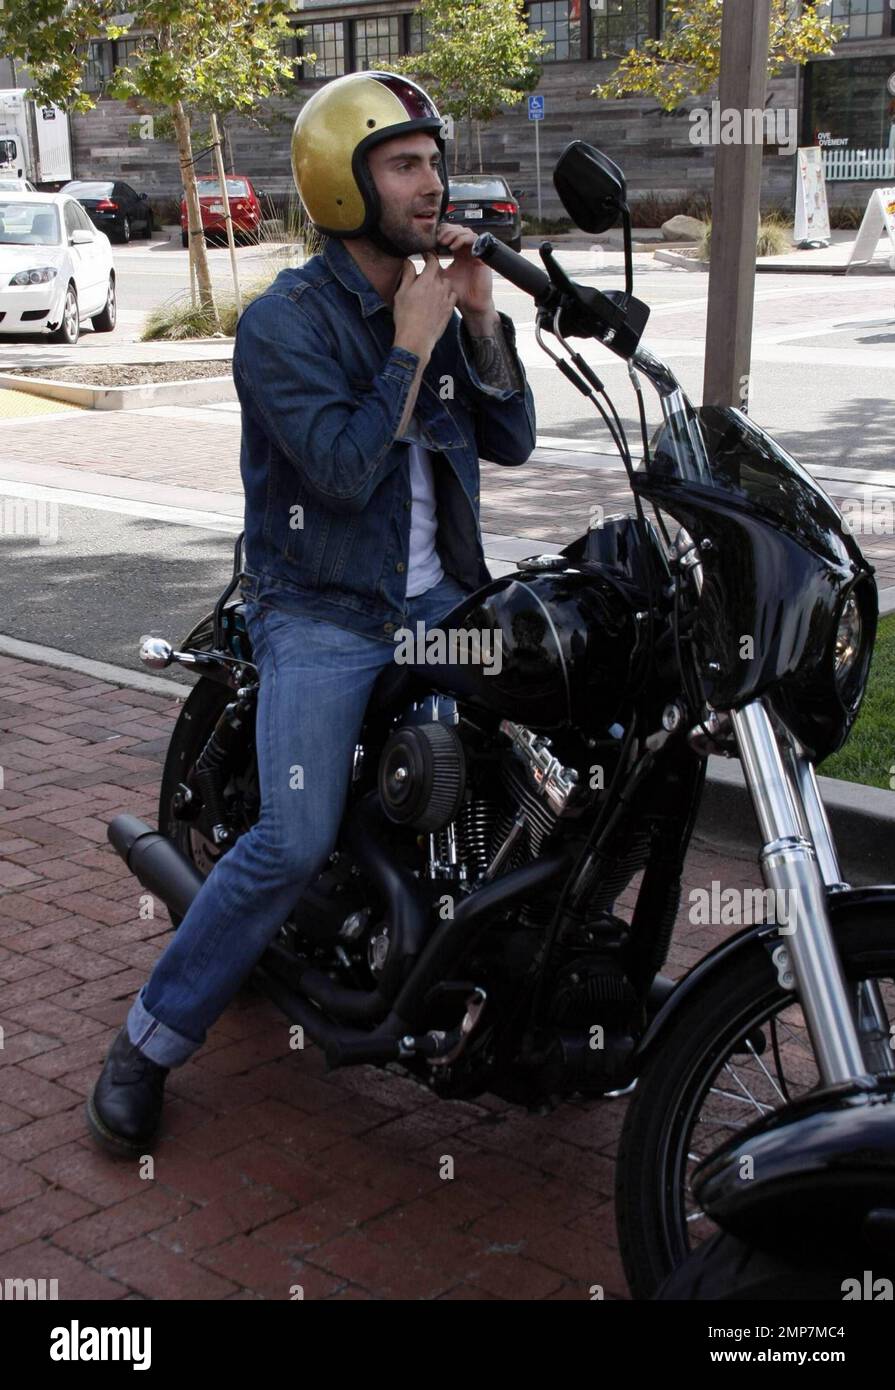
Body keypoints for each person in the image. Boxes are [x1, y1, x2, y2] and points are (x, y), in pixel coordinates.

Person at [86, 70, 536, 1158]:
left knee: (561, 731)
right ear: (343, 186)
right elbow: (337, 473)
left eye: (432, 161)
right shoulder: (283, 325)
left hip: (443, 603)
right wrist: (408, 345)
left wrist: (478, 324)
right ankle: (146, 1041)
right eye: (403, 165)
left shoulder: (438, 292)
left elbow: (512, 440)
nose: (431, 184)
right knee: (292, 835)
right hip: (327, 611)